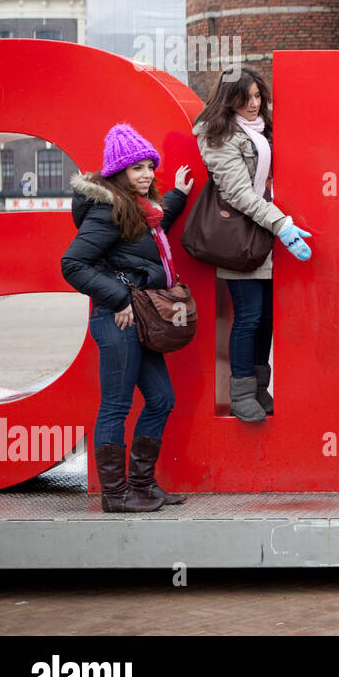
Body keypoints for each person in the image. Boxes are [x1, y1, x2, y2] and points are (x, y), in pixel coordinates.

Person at [61, 124, 195, 513]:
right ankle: (116, 495)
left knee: (162, 399)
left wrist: (178, 196)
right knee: (116, 406)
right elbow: (72, 264)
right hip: (117, 319)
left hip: (141, 319)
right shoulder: (107, 210)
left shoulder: (138, 209)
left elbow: (149, 231)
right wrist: (118, 298)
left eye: (150, 166)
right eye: (137, 168)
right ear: (118, 172)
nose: (147, 174)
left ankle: (143, 485)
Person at [193, 68, 313, 423]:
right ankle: (241, 393)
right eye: (245, 99)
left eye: (258, 96)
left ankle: (260, 388)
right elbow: (238, 193)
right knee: (248, 317)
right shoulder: (217, 136)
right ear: (229, 100)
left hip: (266, 233)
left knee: (266, 319)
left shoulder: (264, 129)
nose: (253, 104)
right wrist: (282, 225)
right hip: (238, 238)